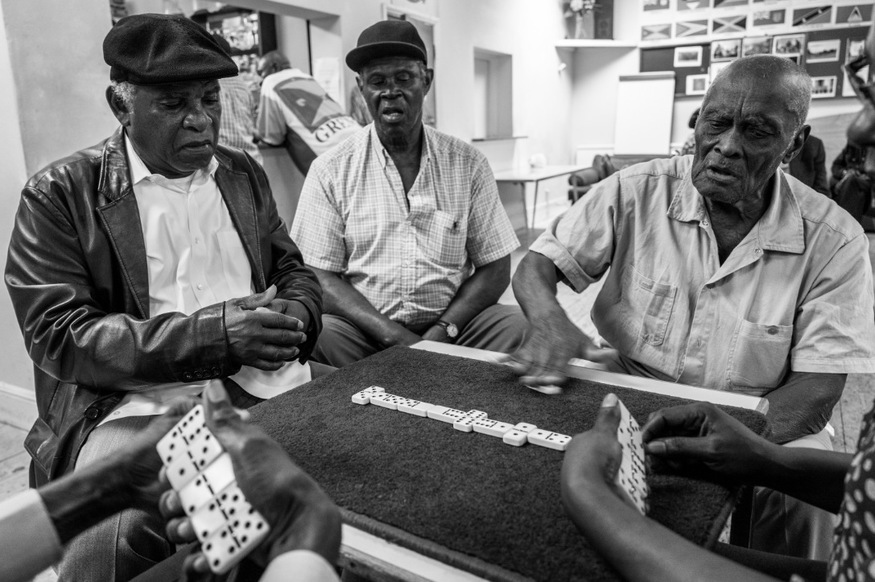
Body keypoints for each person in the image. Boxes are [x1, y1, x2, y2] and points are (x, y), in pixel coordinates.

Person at [507, 54, 875, 560]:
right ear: (697, 121)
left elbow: (817, 389)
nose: (726, 146)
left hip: (764, 413)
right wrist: (548, 319)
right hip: (632, 386)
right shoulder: (636, 190)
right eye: (716, 123)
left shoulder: (835, 239)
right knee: (537, 451)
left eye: (756, 132)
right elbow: (537, 264)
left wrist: (738, 441)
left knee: (801, 499)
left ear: (793, 143)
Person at [4, 14, 323, 581]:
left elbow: (291, 267)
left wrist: (294, 318)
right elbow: (60, 334)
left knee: (369, 488)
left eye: (209, 99)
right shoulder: (58, 194)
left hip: (269, 385)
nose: (201, 121)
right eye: (174, 104)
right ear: (121, 106)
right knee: (109, 539)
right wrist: (214, 336)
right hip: (136, 405)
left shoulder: (242, 172)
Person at [291, 19, 528, 368]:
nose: (391, 92)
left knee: (519, 326)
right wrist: (393, 336)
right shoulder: (330, 169)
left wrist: (443, 331)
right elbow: (318, 275)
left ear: (426, 81)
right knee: (316, 334)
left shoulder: (468, 164)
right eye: (378, 82)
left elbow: (495, 266)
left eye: (404, 78)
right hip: (365, 334)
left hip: (455, 330)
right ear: (361, 88)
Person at [0, 382, 342, 582]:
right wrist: (302, 536)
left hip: (262, 380)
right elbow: (61, 329)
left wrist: (113, 482)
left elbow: (292, 274)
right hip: (130, 401)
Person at [255, 50, 359, 175]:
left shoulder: (270, 81)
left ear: (274, 66)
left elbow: (271, 136)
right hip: (357, 136)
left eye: (261, 72)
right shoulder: (307, 77)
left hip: (332, 159)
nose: (260, 79)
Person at [212, 33, 263, 164]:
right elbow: (252, 126)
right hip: (253, 162)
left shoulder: (208, 85)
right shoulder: (242, 84)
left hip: (225, 165)